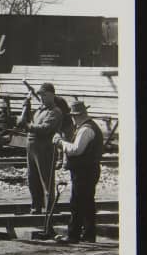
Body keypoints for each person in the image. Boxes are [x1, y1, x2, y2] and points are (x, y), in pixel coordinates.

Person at [53, 100, 104, 243]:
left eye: (73, 116)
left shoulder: (85, 129)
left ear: (77, 116)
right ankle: (88, 234)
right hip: (89, 169)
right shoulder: (89, 127)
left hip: (84, 171)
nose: (72, 119)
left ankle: (73, 235)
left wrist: (61, 142)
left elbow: (76, 150)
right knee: (87, 202)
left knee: (77, 202)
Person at [17, 82, 63, 214]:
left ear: (52, 95)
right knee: (33, 179)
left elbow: (46, 129)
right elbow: (31, 123)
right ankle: (36, 206)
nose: (42, 98)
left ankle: (49, 210)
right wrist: (26, 107)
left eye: (44, 95)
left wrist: (27, 126)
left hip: (45, 148)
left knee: (46, 180)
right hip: (32, 147)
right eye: (41, 95)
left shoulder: (55, 112)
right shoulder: (39, 111)